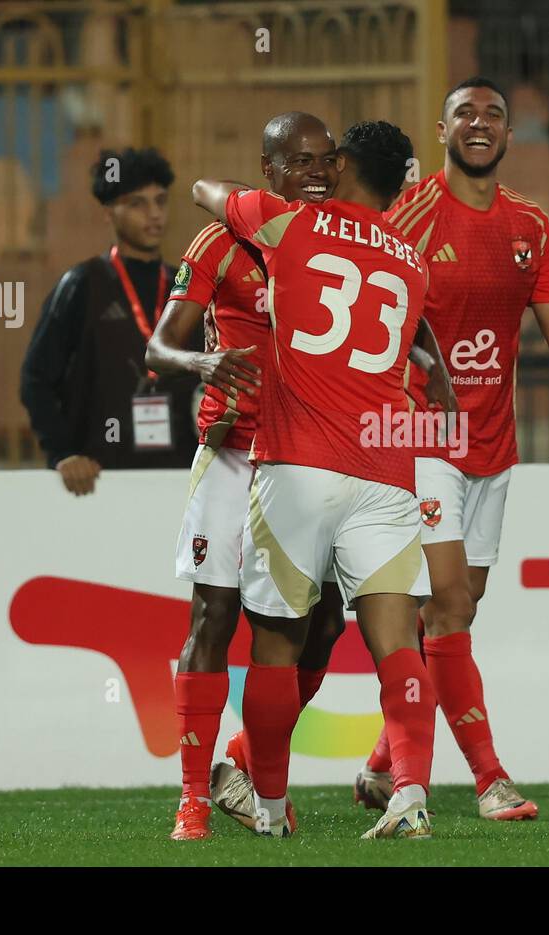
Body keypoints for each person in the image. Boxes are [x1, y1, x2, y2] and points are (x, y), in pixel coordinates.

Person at [355, 77, 549, 821]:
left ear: (508, 136)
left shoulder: (531, 225)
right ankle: (487, 780)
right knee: (444, 603)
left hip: (493, 445)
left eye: (493, 115)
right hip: (422, 436)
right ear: (442, 133)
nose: (480, 124)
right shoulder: (407, 217)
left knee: (460, 609)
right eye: (465, 114)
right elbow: (373, 323)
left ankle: (383, 764)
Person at [191, 120, 448, 839]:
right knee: (397, 643)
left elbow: (207, 192)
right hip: (385, 472)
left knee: (276, 643)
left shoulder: (291, 224)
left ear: (337, 167)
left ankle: (270, 807)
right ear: (400, 185)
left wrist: (235, 188)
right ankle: (411, 796)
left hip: (297, 465)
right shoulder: (413, 263)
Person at [147, 112, 349, 840]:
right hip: (236, 453)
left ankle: (248, 761)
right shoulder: (220, 242)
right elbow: (159, 346)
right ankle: (194, 799)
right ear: (266, 172)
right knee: (214, 617)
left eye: (327, 160)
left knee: (321, 626)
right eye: (300, 162)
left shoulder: (344, 244)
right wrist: (202, 362)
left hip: (313, 462)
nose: (318, 173)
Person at [21, 148, 197, 495]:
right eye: (137, 204)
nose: (154, 214)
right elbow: (36, 379)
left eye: (160, 201)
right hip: (98, 480)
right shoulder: (83, 285)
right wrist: (64, 454)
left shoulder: (189, 288)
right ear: (108, 213)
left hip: (181, 477)